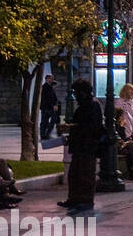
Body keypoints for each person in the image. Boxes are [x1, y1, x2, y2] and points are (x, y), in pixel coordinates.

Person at [60, 78, 102, 210]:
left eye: (77, 92)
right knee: (74, 173)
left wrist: (73, 128)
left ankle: (85, 199)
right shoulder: (84, 106)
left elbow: (91, 126)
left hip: (87, 146)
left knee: (85, 173)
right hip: (79, 146)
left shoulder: (92, 106)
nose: (75, 95)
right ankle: (74, 198)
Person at [39, 74, 60, 140]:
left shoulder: (50, 87)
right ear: (47, 79)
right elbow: (47, 98)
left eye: (53, 78)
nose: (52, 80)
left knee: (51, 120)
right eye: (51, 78)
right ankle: (44, 135)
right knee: (45, 122)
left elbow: (54, 97)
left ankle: (46, 134)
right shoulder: (44, 87)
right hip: (46, 107)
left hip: (50, 107)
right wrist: (53, 105)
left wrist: (56, 104)